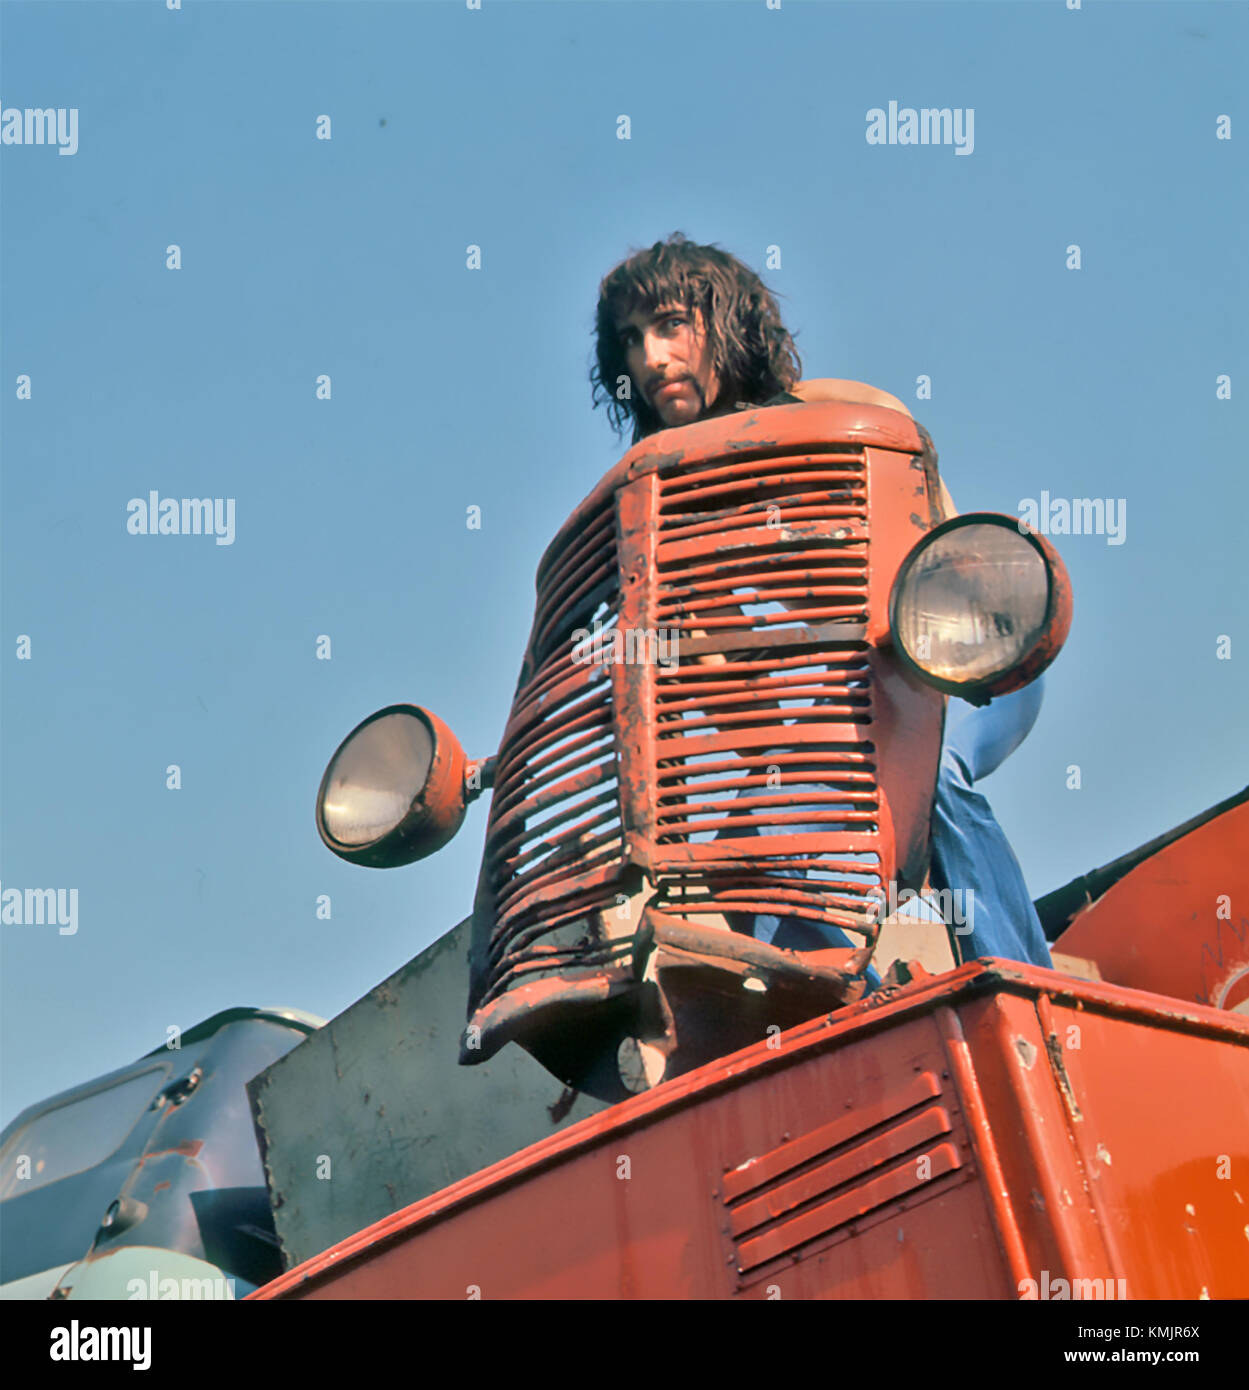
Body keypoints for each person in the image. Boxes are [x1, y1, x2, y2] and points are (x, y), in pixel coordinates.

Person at [589, 231, 1053, 974]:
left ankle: (1020, 986)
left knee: (930, 778)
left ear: (726, 321)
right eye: (631, 340)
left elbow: (950, 567)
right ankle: (856, 1015)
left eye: (672, 325)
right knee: (749, 844)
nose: (650, 359)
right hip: (860, 699)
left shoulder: (840, 410)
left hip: (961, 661)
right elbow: (752, 713)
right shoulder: (684, 515)